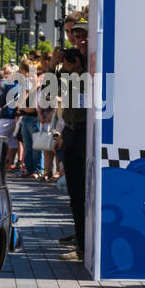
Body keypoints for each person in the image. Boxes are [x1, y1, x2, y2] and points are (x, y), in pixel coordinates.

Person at [56, 46, 88, 257]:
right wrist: (56, 65)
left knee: (88, 193)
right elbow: (51, 92)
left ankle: (87, 245)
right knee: (75, 195)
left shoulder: (91, 70)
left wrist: (79, 70)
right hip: (70, 132)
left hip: (87, 134)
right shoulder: (65, 73)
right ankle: (81, 246)